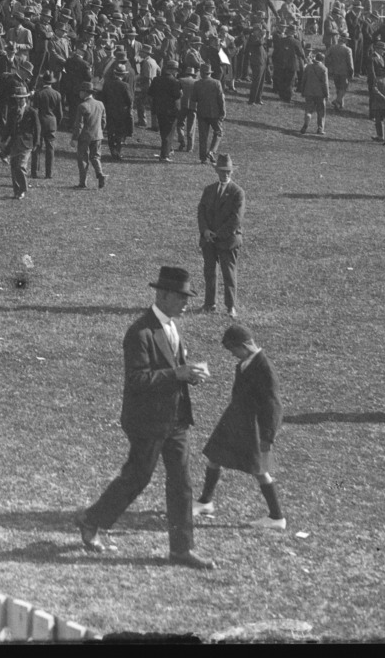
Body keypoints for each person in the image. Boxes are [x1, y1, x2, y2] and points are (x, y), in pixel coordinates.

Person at [76, 266, 216, 570]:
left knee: (182, 484)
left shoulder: (172, 326)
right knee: (138, 477)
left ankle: (181, 550)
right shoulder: (139, 332)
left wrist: (188, 374)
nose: (186, 302)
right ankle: (91, 519)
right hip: (148, 422)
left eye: (188, 296)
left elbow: (170, 367)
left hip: (176, 420)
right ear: (163, 295)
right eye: (181, 297)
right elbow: (137, 380)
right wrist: (177, 373)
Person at [194, 323, 285, 531]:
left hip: (253, 427)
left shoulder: (264, 367)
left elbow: (274, 405)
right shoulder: (246, 363)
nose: (233, 354)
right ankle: (205, 501)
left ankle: (277, 517)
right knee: (214, 457)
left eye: (233, 349)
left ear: (246, 345)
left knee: (260, 470)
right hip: (235, 421)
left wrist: (267, 437)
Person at [197, 155, 246, 316]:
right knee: (209, 272)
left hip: (228, 240)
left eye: (228, 172)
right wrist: (205, 231)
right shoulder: (209, 190)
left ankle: (230, 306)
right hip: (209, 240)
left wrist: (217, 234)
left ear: (232, 172)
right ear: (217, 171)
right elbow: (201, 212)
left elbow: (236, 219)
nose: (225, 174)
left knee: (228, 273)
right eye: (222, 171)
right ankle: (209, 303)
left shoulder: (237, 192)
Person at [69, 86, 107, 190]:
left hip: (85, 136)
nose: (79, 93)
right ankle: (100, 174)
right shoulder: (100, 104)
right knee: (95, 157)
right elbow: (103, 122)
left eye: (81, 91)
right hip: (98, 135)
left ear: (85, 92)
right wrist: (99, 131)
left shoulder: (82, 106)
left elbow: (79, 124)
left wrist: (74, 138)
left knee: (82, 159)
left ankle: (82, 183)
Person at [193, 65, 226, 164]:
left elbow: (194, 98)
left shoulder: (197, 84)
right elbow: (221, 99)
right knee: (218, 132)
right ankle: (211, 151)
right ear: (210, 73)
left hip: (202, 112)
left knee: (203, 136)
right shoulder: (216, 83)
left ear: (201, 73)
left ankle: (203, 158)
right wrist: (223, 111)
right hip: (214, 113)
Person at [30, 72, 61, 179]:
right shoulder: (57, 94)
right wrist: (56, 122)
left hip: (39, 122)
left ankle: (34, 171)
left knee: (37, 146)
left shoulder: (39, 94)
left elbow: (34, 110)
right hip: (51, 122)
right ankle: (49, 173)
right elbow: (60, 113)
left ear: (43, 81)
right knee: (50, 148)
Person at [299, 50, 329, 136]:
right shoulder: (324, 68)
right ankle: (320, 128)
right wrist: (326, 94)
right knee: (321, 112)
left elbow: (303, 80)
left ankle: (306, 124)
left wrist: (303, 90)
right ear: (322, 60)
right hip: (320, 94)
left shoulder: (308, 67)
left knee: (308, 110)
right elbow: (325, 83)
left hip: (309, 92)